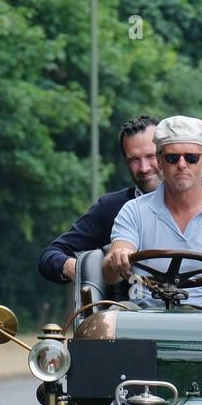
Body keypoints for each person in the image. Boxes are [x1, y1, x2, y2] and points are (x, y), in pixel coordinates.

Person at [102, 115, 202, 309]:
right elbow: (110, 273)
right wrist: (117, 259)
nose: (182, 164)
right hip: (148, 318)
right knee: (111, 318)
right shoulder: (134, 211)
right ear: (160, 161)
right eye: (172, 158)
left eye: (191, 157)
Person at [37, 115, 162, 285]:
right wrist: (85, 270)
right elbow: (51, 255)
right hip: (129, 308)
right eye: (134, 160)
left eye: (151, 156)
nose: (144, 168)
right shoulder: (114, 207)